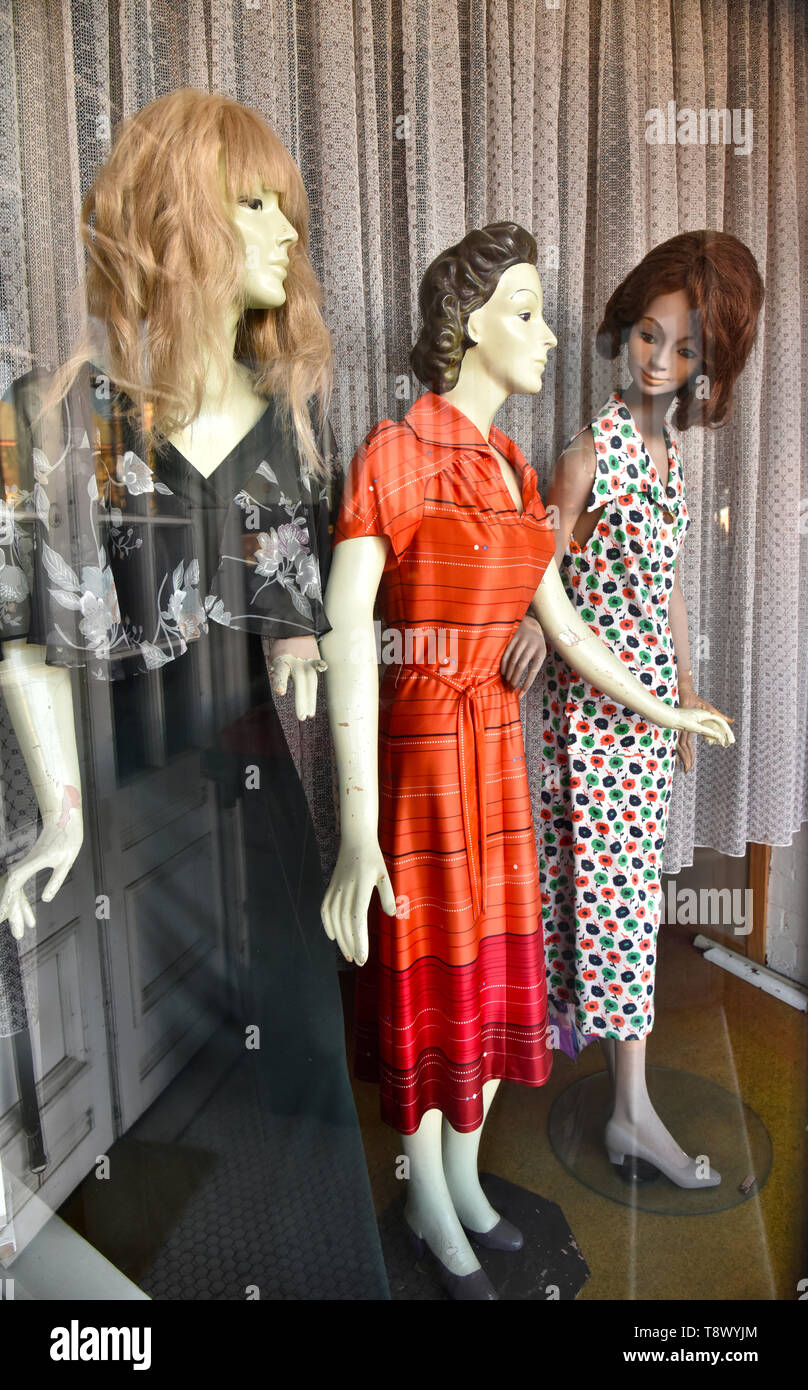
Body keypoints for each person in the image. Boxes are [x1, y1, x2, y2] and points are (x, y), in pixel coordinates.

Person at [0, 87, 388, 1299]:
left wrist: (361, 815)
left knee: (305, 1086)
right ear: (178, 225)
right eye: (254, 205)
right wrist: (60, 814)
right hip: (123, 824)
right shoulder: (55, 422)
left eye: (290, 209)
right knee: (155, 1128)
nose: (286, 234)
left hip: (259, 808)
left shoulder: (290, 429)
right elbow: (27, 640)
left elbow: (296, 637)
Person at [319, 223, 733, 1298]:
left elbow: (568, 626)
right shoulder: (391, 454)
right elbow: (347, 636)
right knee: (425, 985)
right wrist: (357, 827)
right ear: (464, 326)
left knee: (490, 982)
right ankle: (423, 1202)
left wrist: (669, 706)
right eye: (525, 310)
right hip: (418, 760)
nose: (549, 334)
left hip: (496, 759)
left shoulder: (508, 469)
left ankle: (462, 1184)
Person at [530, 230, 764, 1187]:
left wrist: (686, 684)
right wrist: (536, 629)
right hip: (592, 716)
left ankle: (628, 1107)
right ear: (624, 327)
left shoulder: (671, 459)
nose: (659, 363)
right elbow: (539, 570)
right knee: (610, 909)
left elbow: (663, 584)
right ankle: (627, 1112)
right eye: (647, 338)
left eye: (684, 352)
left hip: (649, 712)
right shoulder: (591, 454)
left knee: (628, 908)